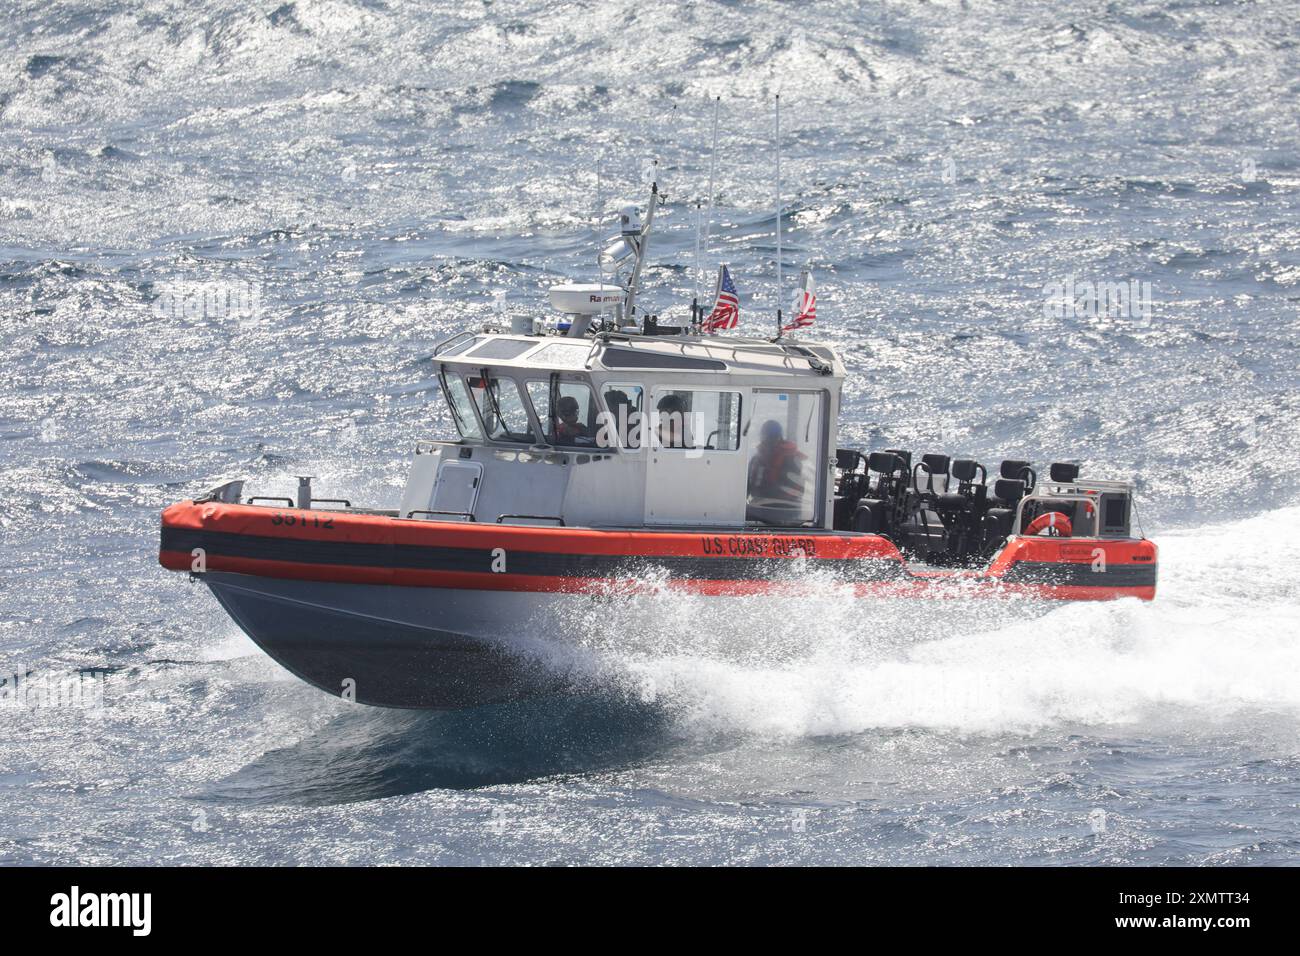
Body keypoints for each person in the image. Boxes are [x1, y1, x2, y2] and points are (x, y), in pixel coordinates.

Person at [747, 419, 806, 508]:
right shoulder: (757, 458)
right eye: (767, 437)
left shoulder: (790, 459)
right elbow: (748, 485)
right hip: (760, 506)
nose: (769, 440)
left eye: (772, 437)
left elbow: (794, 490)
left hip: (783, 510)